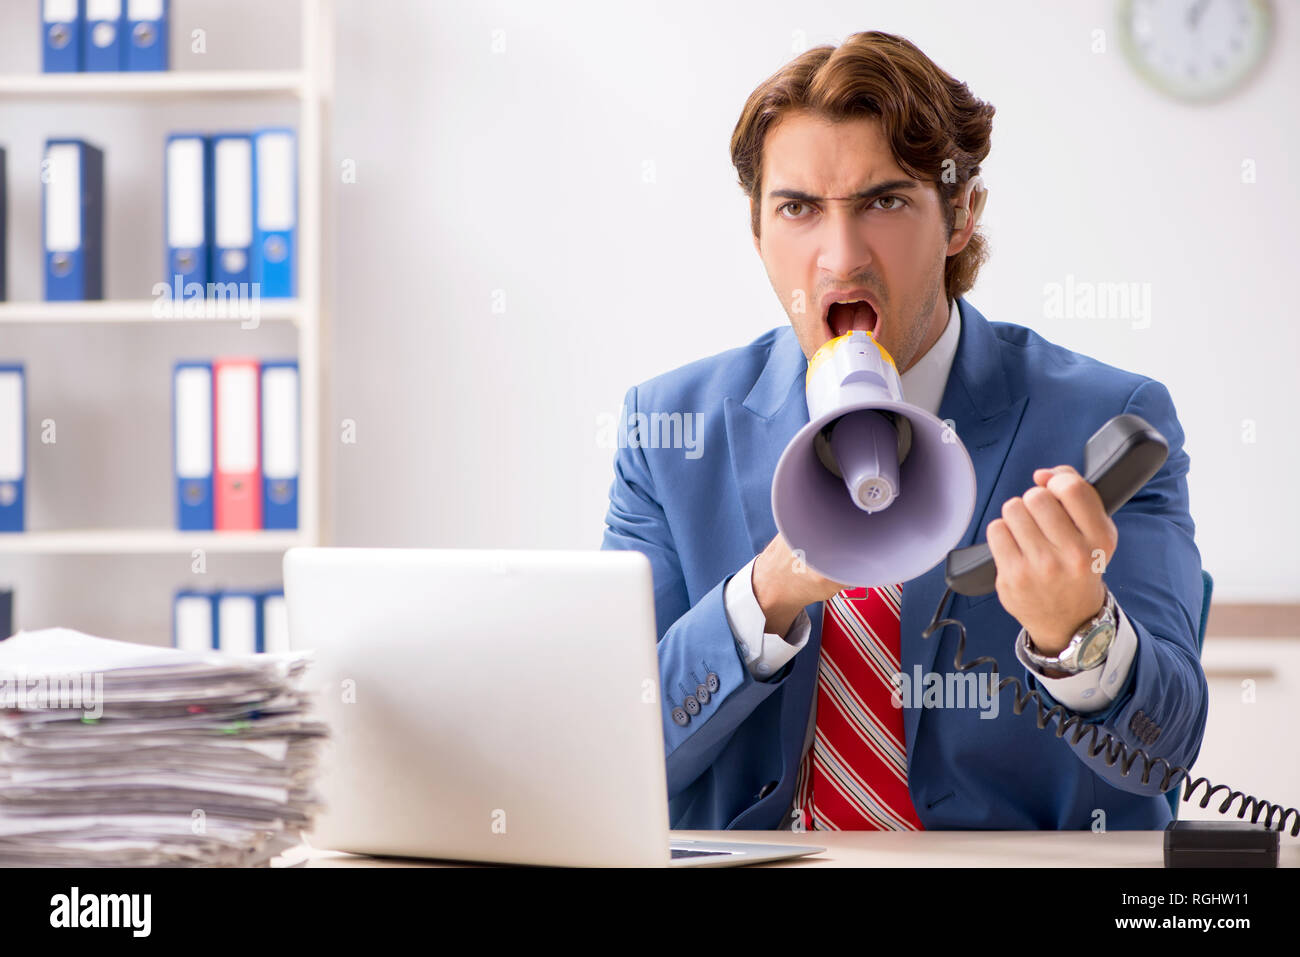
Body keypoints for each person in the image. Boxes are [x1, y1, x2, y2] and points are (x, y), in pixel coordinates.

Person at [600, 31, 1206, 830]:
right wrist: (764, 595)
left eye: (884, 202)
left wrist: (1079, 632)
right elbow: (615, 755)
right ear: (757, 232)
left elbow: (1167, 750)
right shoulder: (669, 429)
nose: (840, 258)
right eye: (798, 208)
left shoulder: (1107, 417)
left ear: (960, 215)